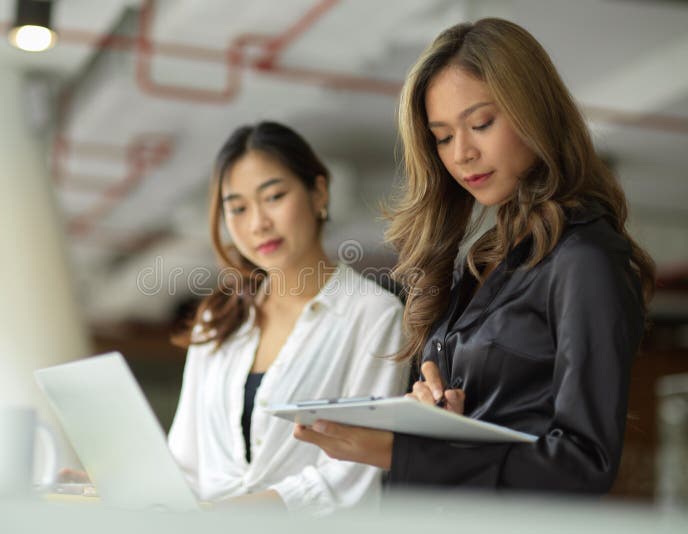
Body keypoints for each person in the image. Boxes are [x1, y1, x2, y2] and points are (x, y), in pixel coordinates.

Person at [294, 18, 654, 493]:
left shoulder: (584, 259)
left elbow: (583, 464)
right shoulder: (481, 266)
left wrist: (399, 452)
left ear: (535, 113)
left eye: (481, 124)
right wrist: (440, 422)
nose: (461, 153)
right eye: (442, 137)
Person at [167, 121, 408, 513]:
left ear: (319, 193)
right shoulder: (218, 320)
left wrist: (230, 513)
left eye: (274, 196)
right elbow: (185, 460)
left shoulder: (373, 315)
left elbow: (352, 478)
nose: (258, 223)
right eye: (238, 208)